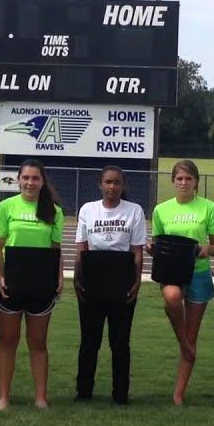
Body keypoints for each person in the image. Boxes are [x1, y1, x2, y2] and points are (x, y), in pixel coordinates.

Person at [0, 160, 65, 411]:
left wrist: (59, 276)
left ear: (42, 182)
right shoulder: (5, 207)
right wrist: (0, 276)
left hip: (41, 283)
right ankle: (3, 397)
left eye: (35, 178)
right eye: (26, 178)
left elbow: (56, 249)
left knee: (38, 341)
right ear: (18, 180)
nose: (30, 183)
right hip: (12, 281)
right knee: (8, 340)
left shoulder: (53, 211)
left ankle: (41, 397)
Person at [149, 159, 214, 406]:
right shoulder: (161, 210)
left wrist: (206, 248)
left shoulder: (209, 208)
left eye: (188, 178)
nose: (183, 183)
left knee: (194, 333)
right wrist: (151, 248)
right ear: (172, 181)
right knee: (171, 298)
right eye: (179, 178)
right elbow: (158, 242)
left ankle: (178, 393)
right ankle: (183, 342)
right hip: (171, 272)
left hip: (198, 272)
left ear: (196, 182)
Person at [73, 166, 147, 405]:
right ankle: (84, 392)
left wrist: (137, 281)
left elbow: (136, 251)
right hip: (93, 276)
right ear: (100, 184)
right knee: (89, 340)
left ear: (123, 185)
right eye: (108, 182)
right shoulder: (88, 209)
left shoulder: (134, 211)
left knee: (120, 341)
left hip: (121, 277)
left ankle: (121, 394)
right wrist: (77, 278)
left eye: (116, 183)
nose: (112, 187)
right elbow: (81, 248)